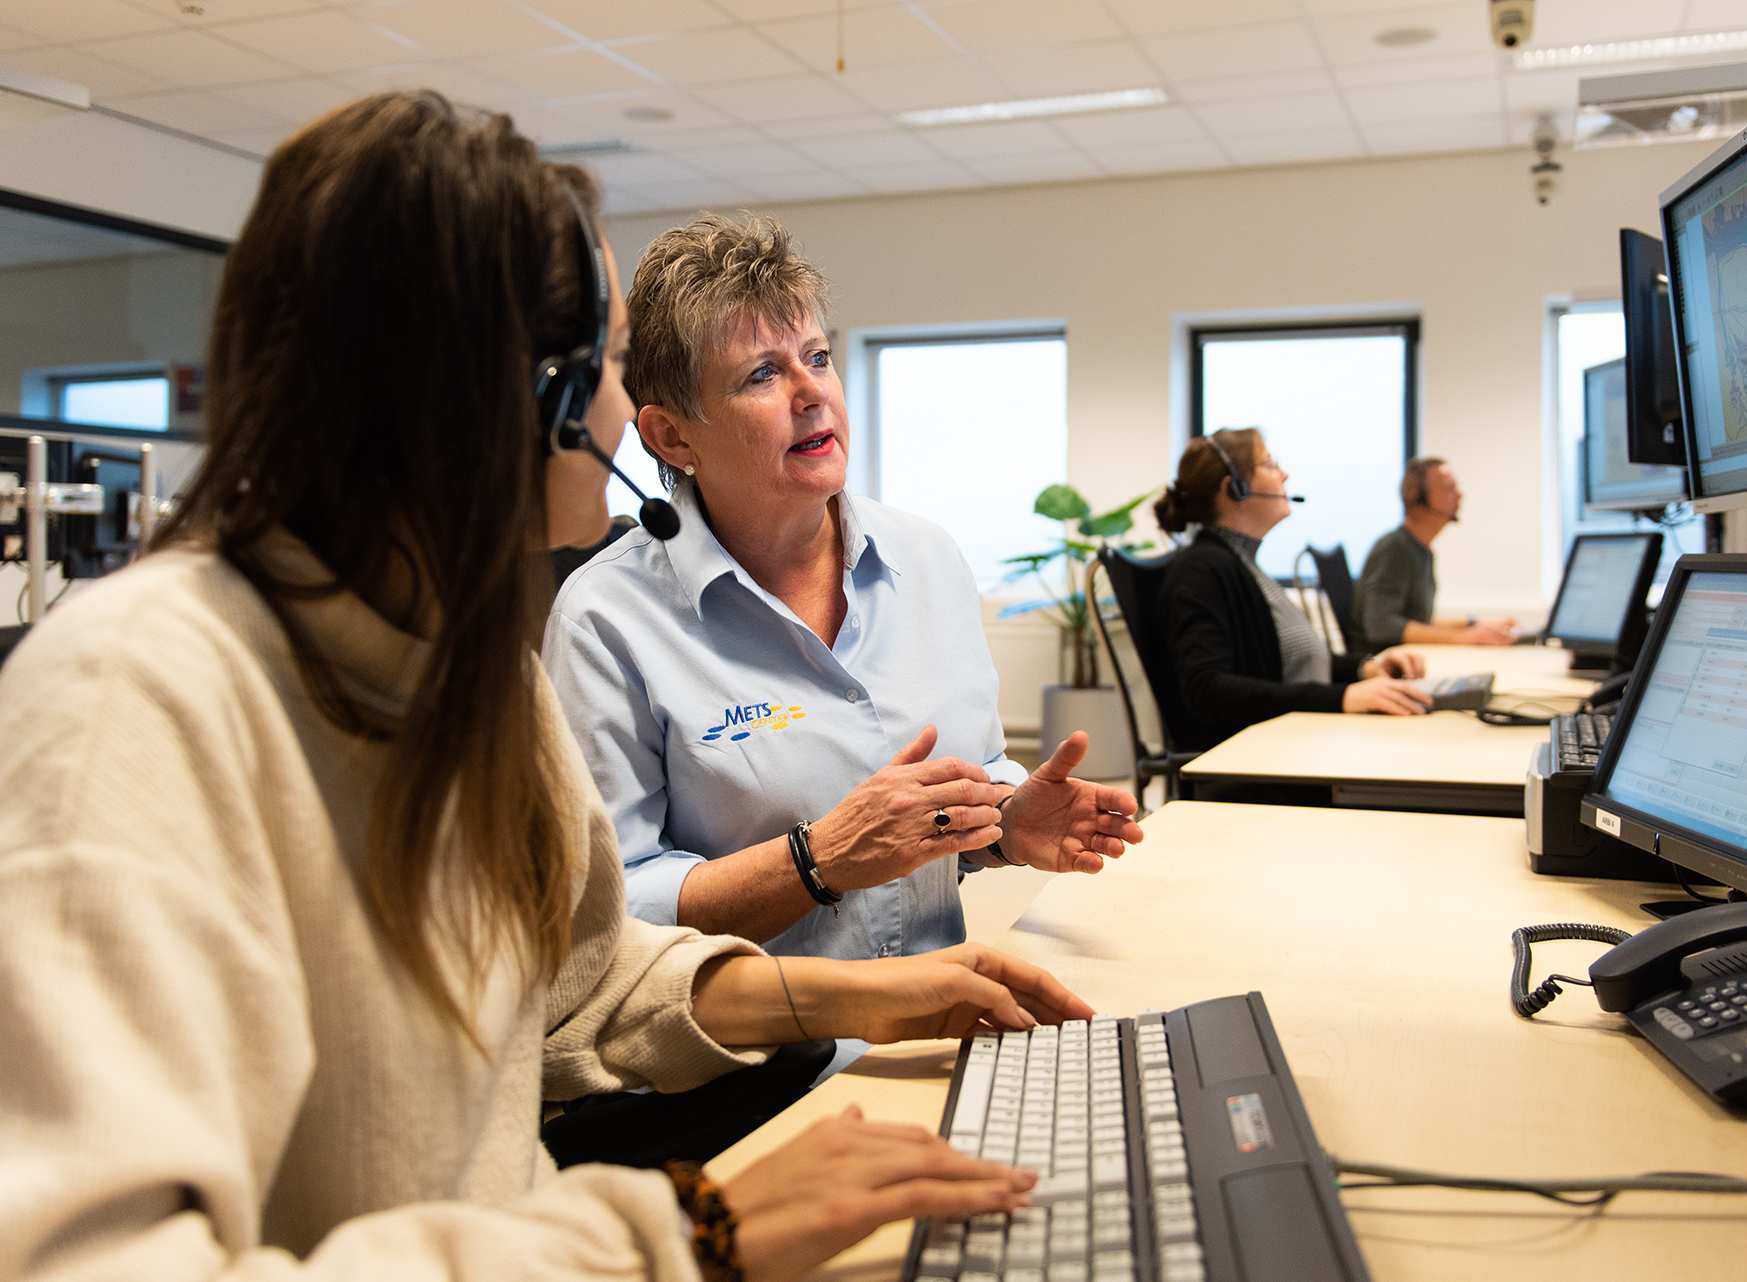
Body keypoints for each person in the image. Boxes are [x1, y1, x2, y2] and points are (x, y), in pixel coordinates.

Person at [0, 91, 1097, 1282]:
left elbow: (582, 979)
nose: (628, 413)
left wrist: (871, 995)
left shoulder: (464, 670)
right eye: (613, 367)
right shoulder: (134, 699)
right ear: (514, 400)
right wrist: (676, 1239)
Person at [543, 213, 1145, 960]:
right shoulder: (606, 621)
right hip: (758, 1064)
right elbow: (609, 914)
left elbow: (965, 789)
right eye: (762, 373)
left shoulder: (926, 559)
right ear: (671, 437)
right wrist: (816, 859)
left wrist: (1011, 822)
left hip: (932, 1021)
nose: (811, 392)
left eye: (818, 357)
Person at [1157, 430, 1432, 750]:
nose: (1284, 474)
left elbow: (1292, 663)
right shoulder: (1201, 570)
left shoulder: (1242, 564)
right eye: (1271, 464)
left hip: (1294, 743)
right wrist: (1342, 697)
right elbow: (1208, 690)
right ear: (1235, 488)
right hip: (1260, 763)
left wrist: (1365, 668)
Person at [1353, 456, 1517, 650]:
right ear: (1418, 497)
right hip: (1386, 665)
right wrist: (1465, 637)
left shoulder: (1420, 550)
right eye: (1449, 488)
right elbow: (1381, 625)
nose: (1459, 495)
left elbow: (1421, 620)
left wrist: (1475, 625)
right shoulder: (1394, 549)